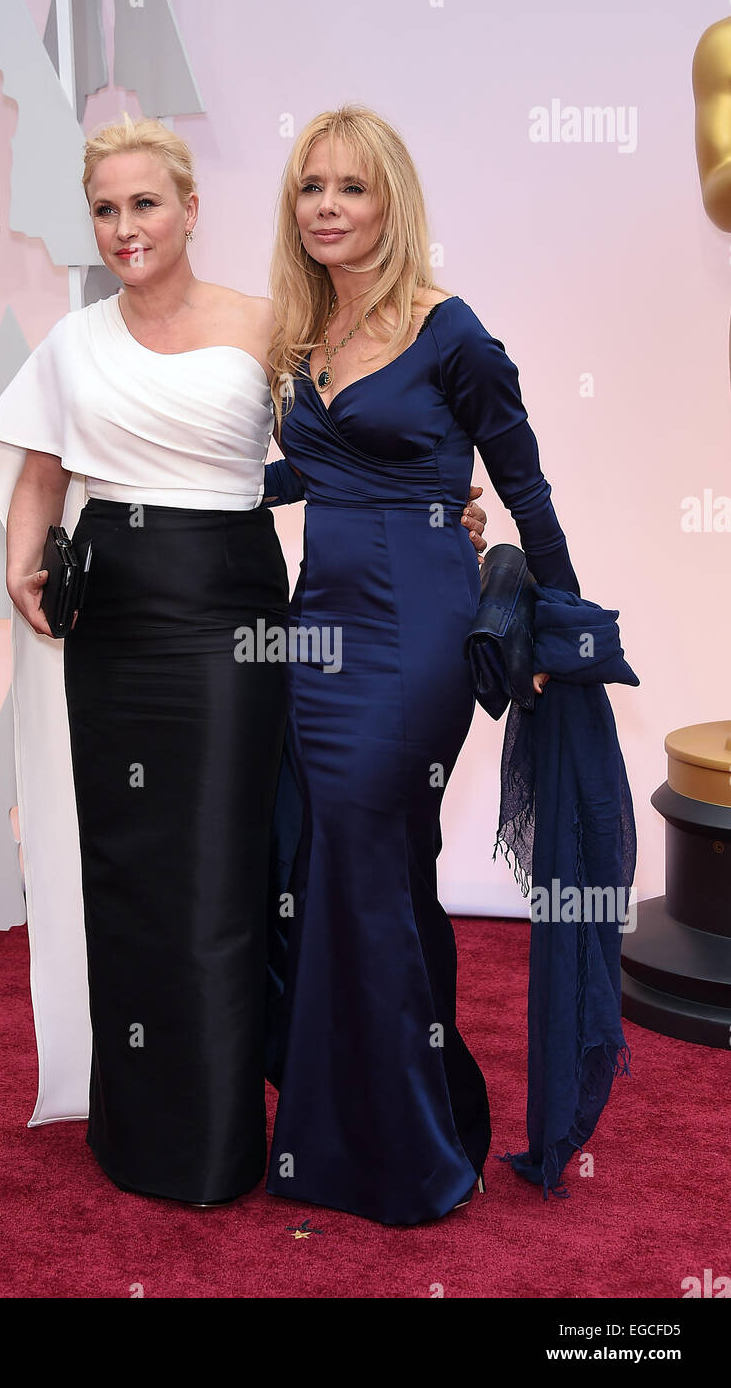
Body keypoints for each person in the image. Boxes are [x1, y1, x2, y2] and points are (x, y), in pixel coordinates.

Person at [0, 113, 492, 1205]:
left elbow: (352, 444)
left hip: (229, 612)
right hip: (114, 612)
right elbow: (41, 466)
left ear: (190, 208)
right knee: (128, 866)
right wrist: (27, 565)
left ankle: (223, 1142)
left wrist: (443, 504)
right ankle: (141, 1130)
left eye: (144, 204)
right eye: (105, 210)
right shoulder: (74, 341)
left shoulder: (271, 327)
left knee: (223, 870)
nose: (125, 227)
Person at [261, 105, 577, 1226]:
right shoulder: (297, 334)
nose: (328, 208)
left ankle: (409, 1155)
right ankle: (374, 1121)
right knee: (350, 866)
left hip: (417, 624)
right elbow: (301, 478)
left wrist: (559, 622)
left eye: (351, 188)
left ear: (389, 202)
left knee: (364, 848)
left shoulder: (449, 330)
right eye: (311, 188)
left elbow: (523, 485)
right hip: (319, 623)